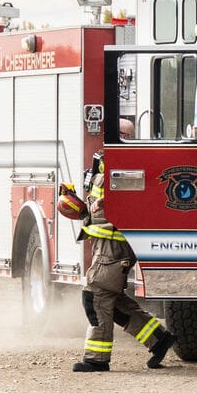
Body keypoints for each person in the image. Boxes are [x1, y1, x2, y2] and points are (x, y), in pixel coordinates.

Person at [59, 151, 176, 373]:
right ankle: (158, 339)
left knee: (95, 295)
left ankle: (96, 359)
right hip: (104, 241)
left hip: (114, 243)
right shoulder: (105, 163)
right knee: (111, 300)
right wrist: (80, 205)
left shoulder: (127, 160)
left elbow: (135, 195)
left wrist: (106, 201)